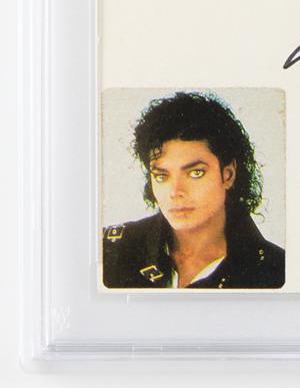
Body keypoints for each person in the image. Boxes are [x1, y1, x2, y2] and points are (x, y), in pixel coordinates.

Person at [102, 91, 284, 289]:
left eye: (195, 173)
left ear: (228, 175)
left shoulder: (275, 272)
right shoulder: (110, 250)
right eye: (162, 176)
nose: (175, 192)